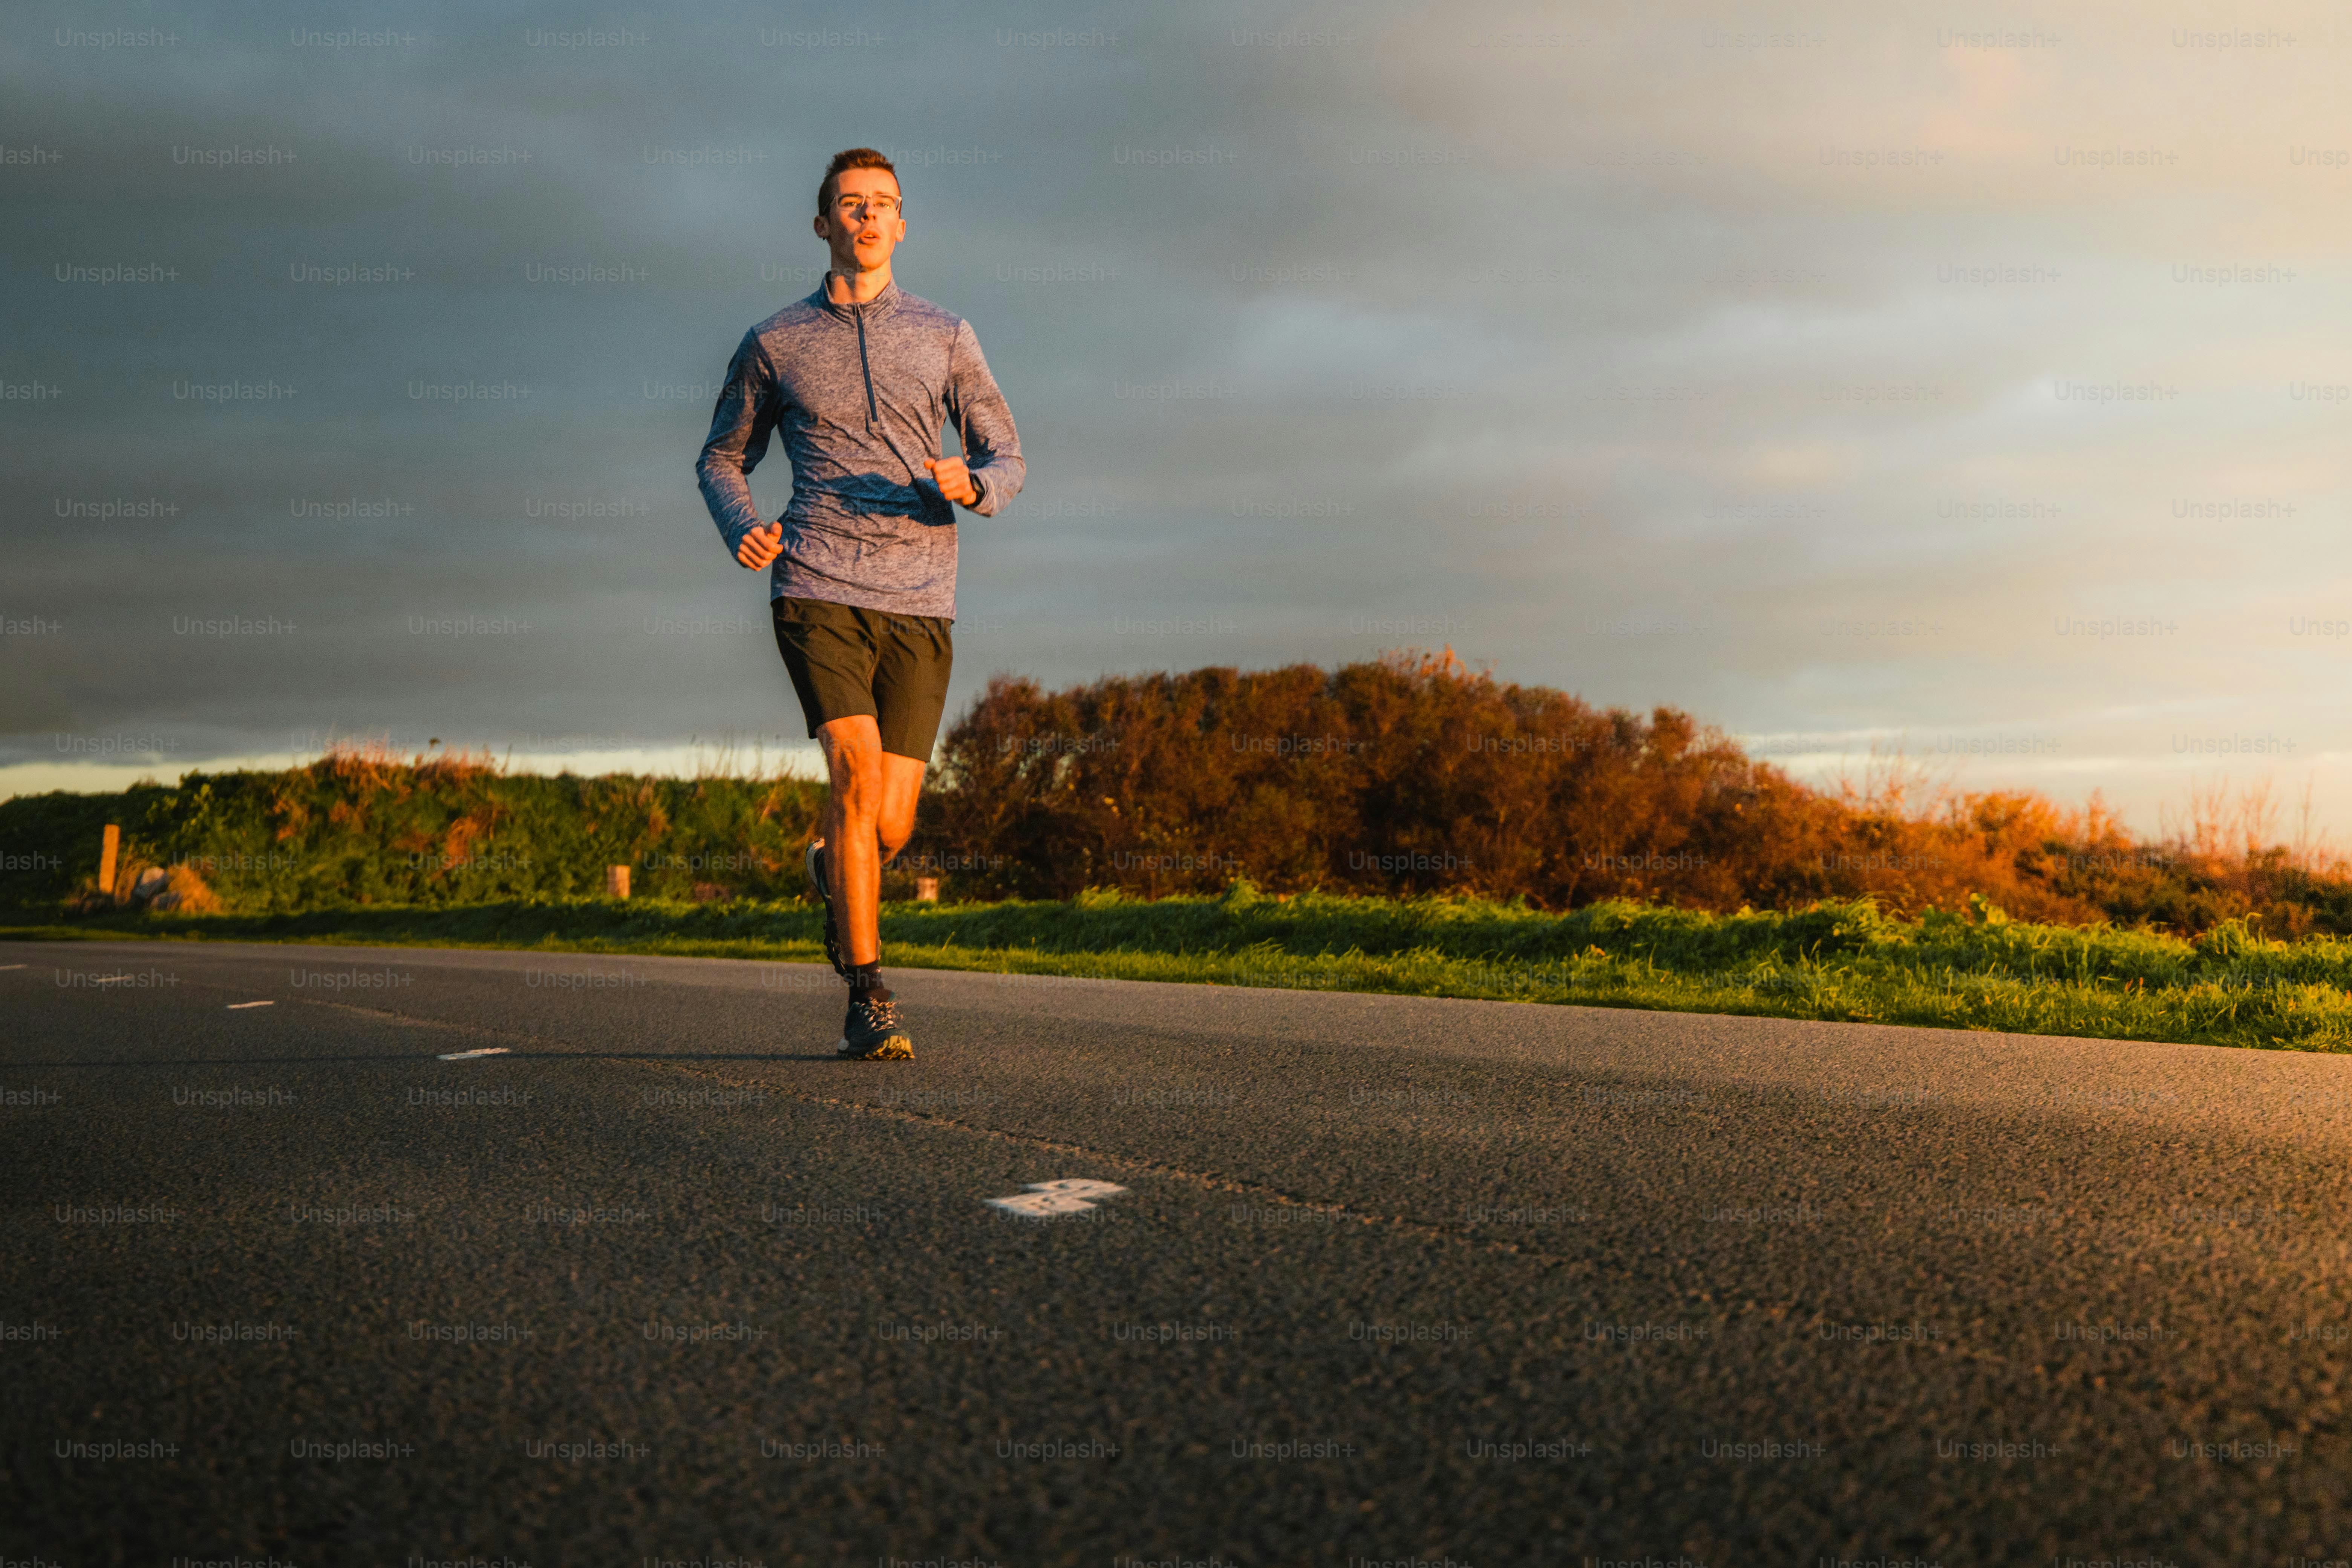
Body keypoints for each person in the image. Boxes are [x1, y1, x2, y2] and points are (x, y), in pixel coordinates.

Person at [695, 147, 1024, 1060]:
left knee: (892, 821)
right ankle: (870, 993)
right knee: (851, 773)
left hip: (922, 594)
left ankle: (827, 873)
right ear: (823, 225)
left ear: (903, 225)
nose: (868, 217)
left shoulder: (948, 333)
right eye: (851, 204)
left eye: (884, 204)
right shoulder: (774, 342)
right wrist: (742, 526)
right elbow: (721, 455)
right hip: (817, 582)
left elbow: (1010, 457)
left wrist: (973, 485)